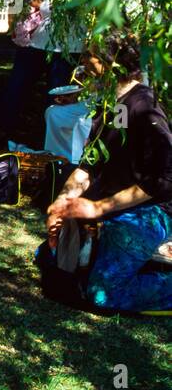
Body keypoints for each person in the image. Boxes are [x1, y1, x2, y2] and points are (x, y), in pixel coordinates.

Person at [44, 33, 172, 312]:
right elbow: (87, 168)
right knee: (49, 259)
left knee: (102, 294)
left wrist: (98, 207)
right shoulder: (107, 105)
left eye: (90, 55)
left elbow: (161, 180)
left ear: (112, 63)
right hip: (112, 211)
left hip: (151, 212)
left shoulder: (145, 107)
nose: (84, 62)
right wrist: (62, 202)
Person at [0, 0, 55, 137]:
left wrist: (39, 3)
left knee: (55, 97)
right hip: (34, 44)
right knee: (16, 89)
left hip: (64, 48)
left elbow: (59, 10)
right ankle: (4, 130)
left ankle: (50, 139)